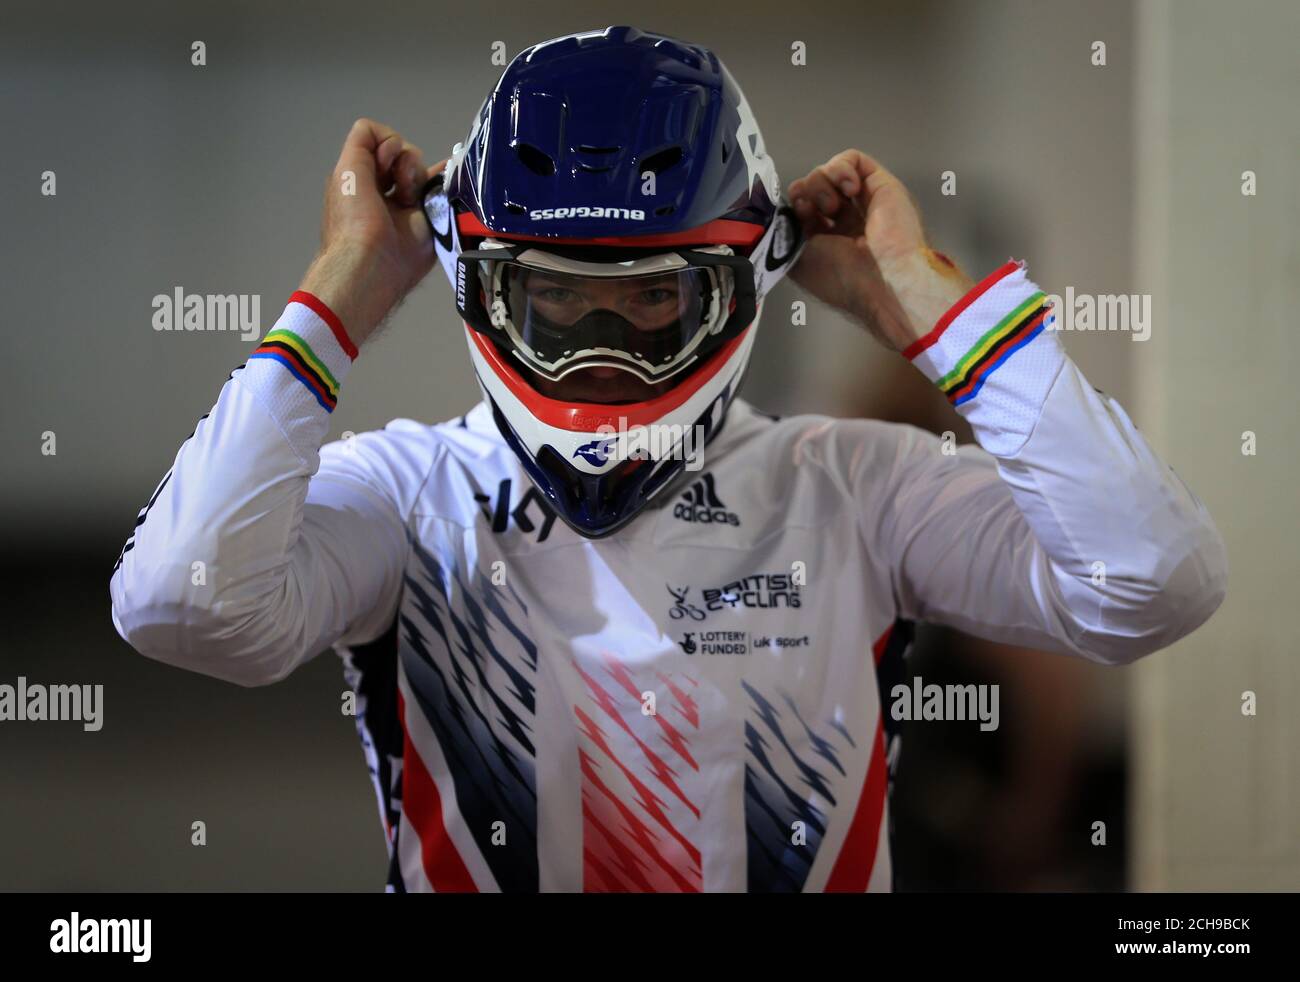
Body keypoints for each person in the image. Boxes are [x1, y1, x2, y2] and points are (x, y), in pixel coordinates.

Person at [109, 25, 1226, 892]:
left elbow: (1153, 580)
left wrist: (930, 305)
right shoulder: (411, 492)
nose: (603, 355)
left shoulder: (849, 484)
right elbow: (178, 605)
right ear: (476, 283)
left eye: (651, 300)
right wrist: (341, 288)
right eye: (555, 300)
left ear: (742, 286)